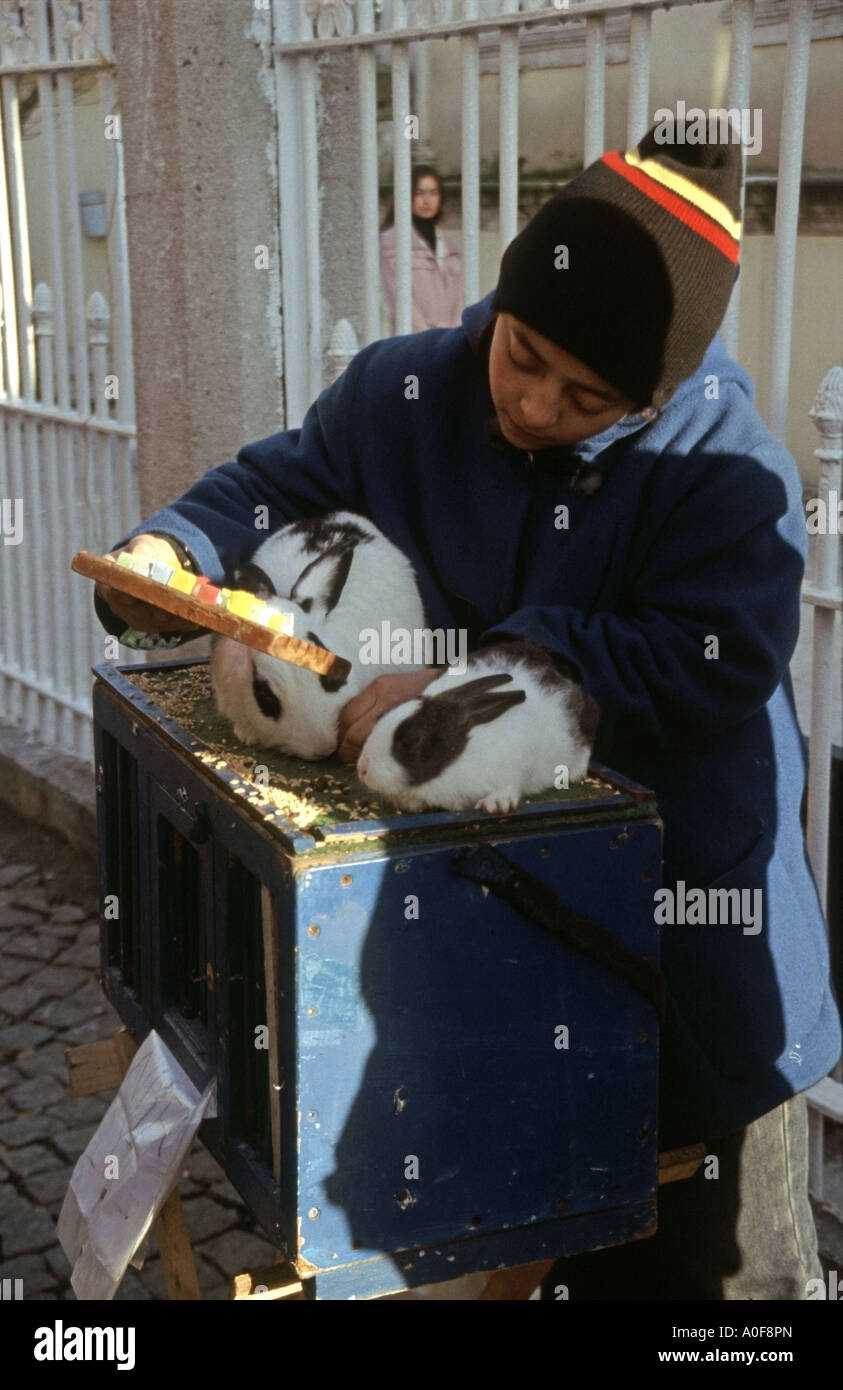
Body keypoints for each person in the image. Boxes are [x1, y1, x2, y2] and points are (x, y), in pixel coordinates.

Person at [93, 123, 841, 1299]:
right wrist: (173, 553)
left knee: (724, 1284)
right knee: (514, 1224)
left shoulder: (726, 469)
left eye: (585, 395)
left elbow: (714, 657)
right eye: (522, 354)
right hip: (485, 931)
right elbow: (271, 481)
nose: (535, 404)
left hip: (686, 940)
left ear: (655, 393)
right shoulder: (409, 386)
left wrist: (461, 680)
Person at [379, 163, 462, 333]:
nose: (427, 200)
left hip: (449, 341)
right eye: (419, 193)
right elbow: (397, 298)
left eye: (433, 193)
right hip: (412, 340)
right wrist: (428, 338)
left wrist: (453, 337)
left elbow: (459, 300)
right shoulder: (390, 241)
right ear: (407, 196)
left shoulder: (449, 244)